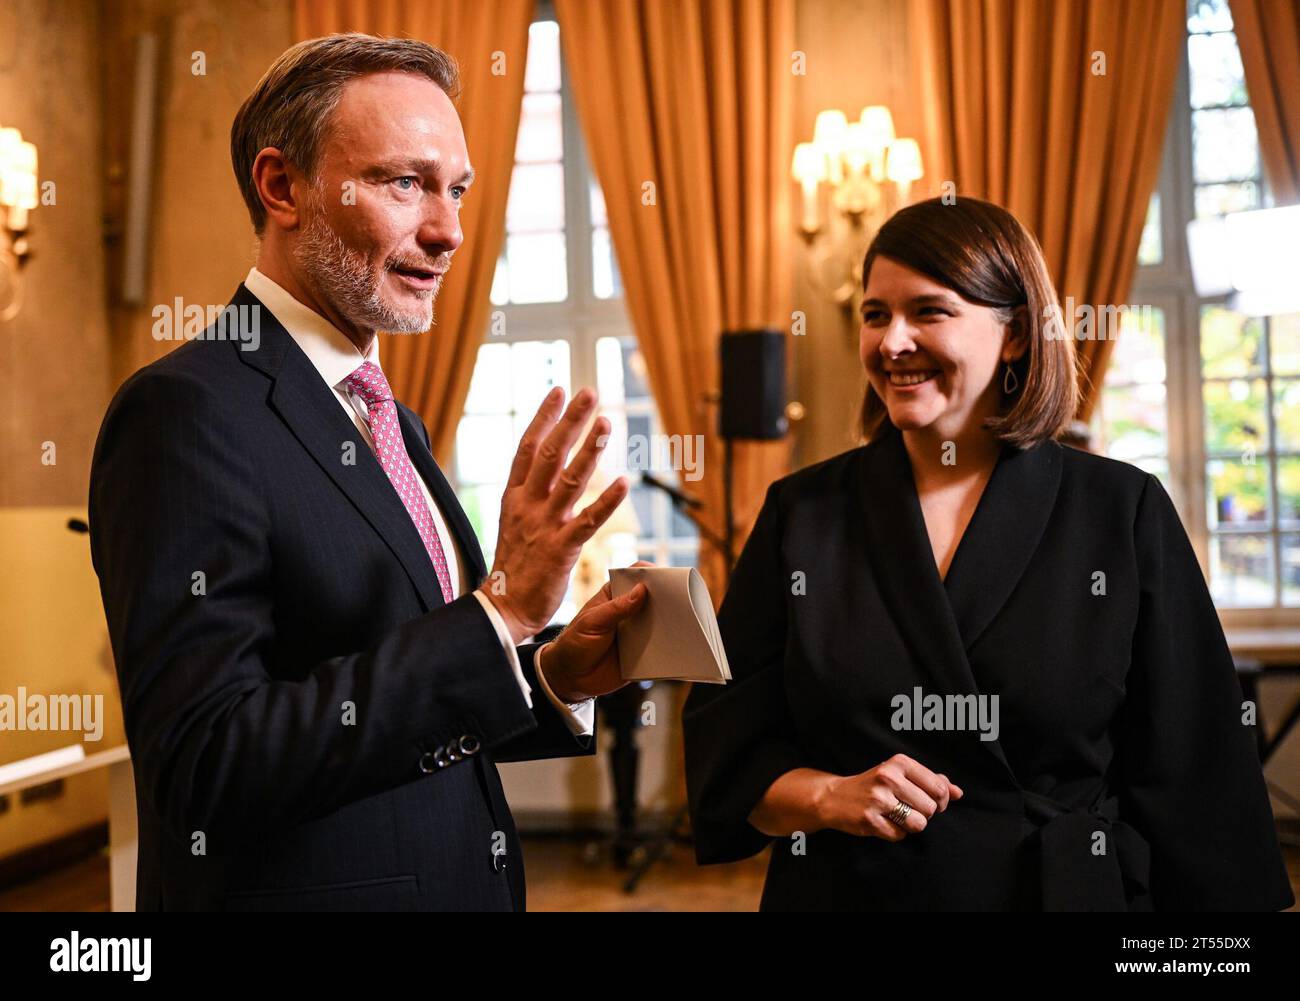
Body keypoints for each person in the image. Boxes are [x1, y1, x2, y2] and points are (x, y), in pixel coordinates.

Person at [89, 33, 646, 911]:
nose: (451, 229)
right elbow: (206, 762)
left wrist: (544, 672)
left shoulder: (392, 416)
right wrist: (496, 614)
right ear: (283, 187)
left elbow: (414, 711)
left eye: (456, 188)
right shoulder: (183, 412)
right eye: (404, 182)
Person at [684, 196, 1294, 911]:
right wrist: (828, 795)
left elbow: (1200, 784)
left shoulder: (1120, 511)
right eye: (875, 314)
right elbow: (727, 750)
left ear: (1014, 335)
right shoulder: (802, 515)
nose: (891, 342)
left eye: (929, 311)